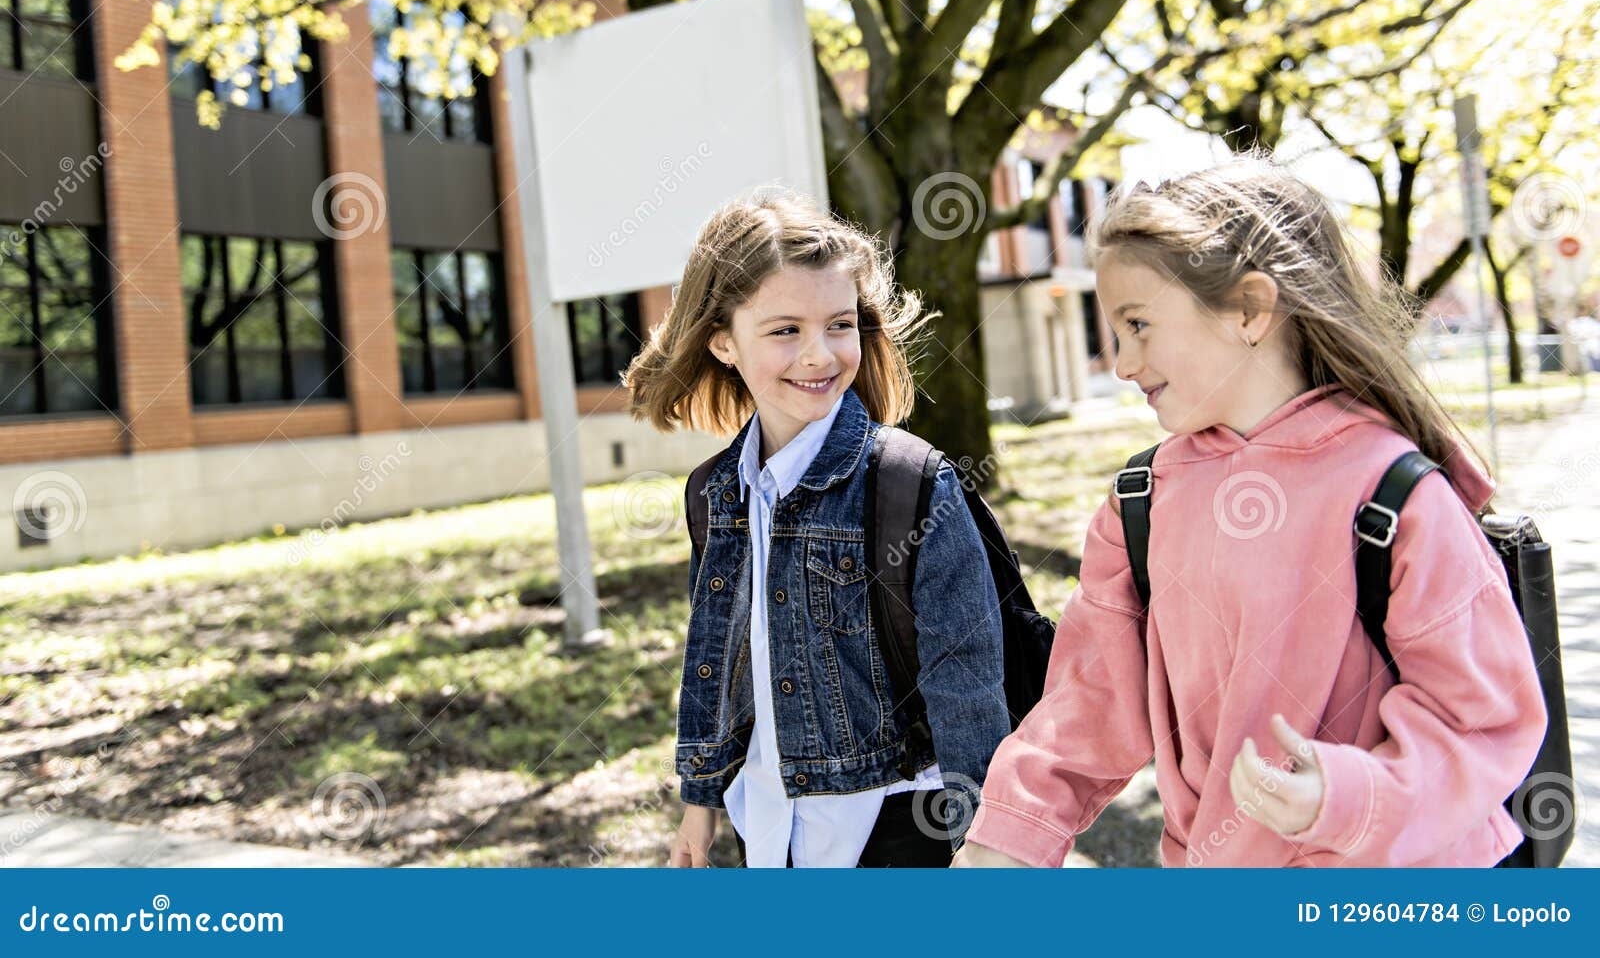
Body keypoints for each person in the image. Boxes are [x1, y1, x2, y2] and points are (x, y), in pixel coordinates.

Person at [954, 156, 1547, 867]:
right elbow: (1089, 704)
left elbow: (1483, 718)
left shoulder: (1395, 492)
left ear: (1249, 308)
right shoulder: (1139, 502)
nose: (1122, 362)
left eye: (1139, 325)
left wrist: (1348, 796)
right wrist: (1011, 835)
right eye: (1116, 332)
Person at [623, 190, 1009, 867]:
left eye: (839, 324)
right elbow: (717, 660)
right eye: (784, 330)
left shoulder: (912, 482)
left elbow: (967, 682)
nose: (819, 354)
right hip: (767, 824)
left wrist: (989, 840)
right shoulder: (715, 493)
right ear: (723, 341)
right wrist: (700, 797)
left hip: (897, 827)